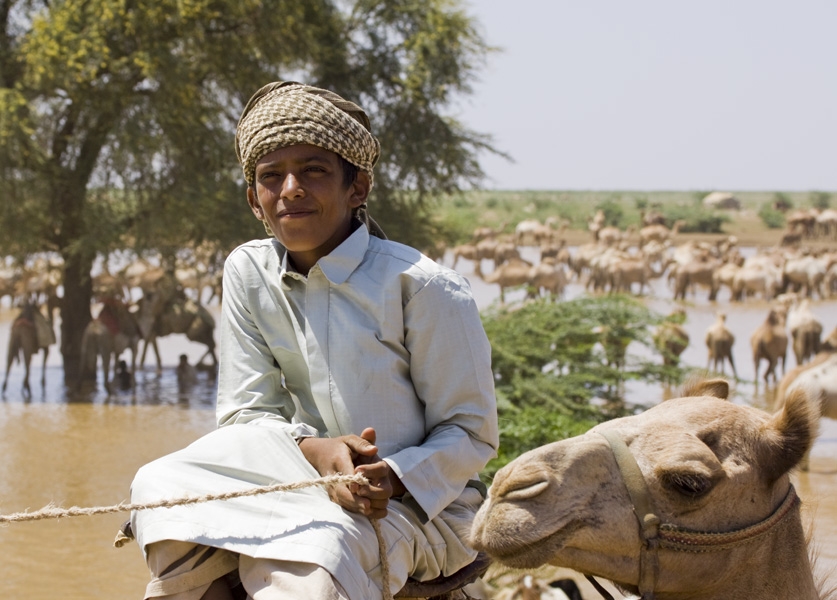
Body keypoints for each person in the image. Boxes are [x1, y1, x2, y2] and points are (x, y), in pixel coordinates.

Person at [129, 81, 498, 600]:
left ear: (358, 187)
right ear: (253, 199)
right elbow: (244, 417)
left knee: (322, 553)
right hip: (290, 477)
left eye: (314, 170)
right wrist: (313, 450)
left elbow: (471, 431)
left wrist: (389, 475)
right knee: (155, 487)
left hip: (413, 505)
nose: (291, 189)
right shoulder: (247, 270)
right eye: (271, 176)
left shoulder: (424, 286)